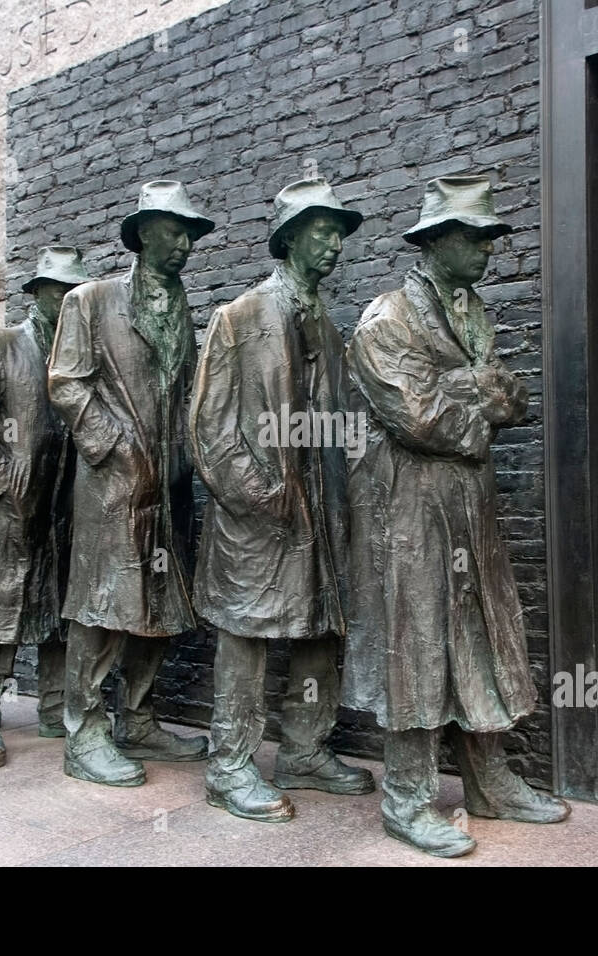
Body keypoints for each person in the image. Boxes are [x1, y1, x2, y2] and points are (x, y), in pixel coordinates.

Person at [344, 176, 571, 857]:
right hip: (408, 509)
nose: (486, 251)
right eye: (474, 239)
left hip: (469, 504)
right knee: (415, 647)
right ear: (437, 242)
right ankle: (407, 799)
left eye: (490, 239)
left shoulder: (475, 313)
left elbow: (516, 399)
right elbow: (419, 418)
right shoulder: (386, 319)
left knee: (482, 637)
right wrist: (478, 392)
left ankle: (488, 782)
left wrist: (469, 391)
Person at [191, 178, 376, 823]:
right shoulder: (240, 317)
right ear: (290, 237)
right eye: (321, 232)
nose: (333, 246)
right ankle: (230, 764)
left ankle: (304, 748)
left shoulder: (325, 323)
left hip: (320, 508)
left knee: (322, 628)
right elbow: (209, 429)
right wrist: (260, 495)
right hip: (259, 515)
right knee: (245, 633)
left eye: (337, 235)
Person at [48, 182, 213, 786]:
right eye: (174, 232)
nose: (183, 245)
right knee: (103, 605)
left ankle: (137, 720)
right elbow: (67, 383)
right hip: (114, 486)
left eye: (189, 235)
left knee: (162, 604)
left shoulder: (184, 305)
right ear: (145, 234)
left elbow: (184, 387)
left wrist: (187, 458)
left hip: (169, 486)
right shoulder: (91, 301)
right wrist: (116, 448)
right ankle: (84, 733)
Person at [0, 247, 90, 768]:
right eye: (59, 291)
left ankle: (56, 707)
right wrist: (0, 482)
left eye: (74, 292)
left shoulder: (81, 351)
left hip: (65, 501)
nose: (67, 301)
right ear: (38, 294)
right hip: (9, 506)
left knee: (60, 606)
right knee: (2, 609)